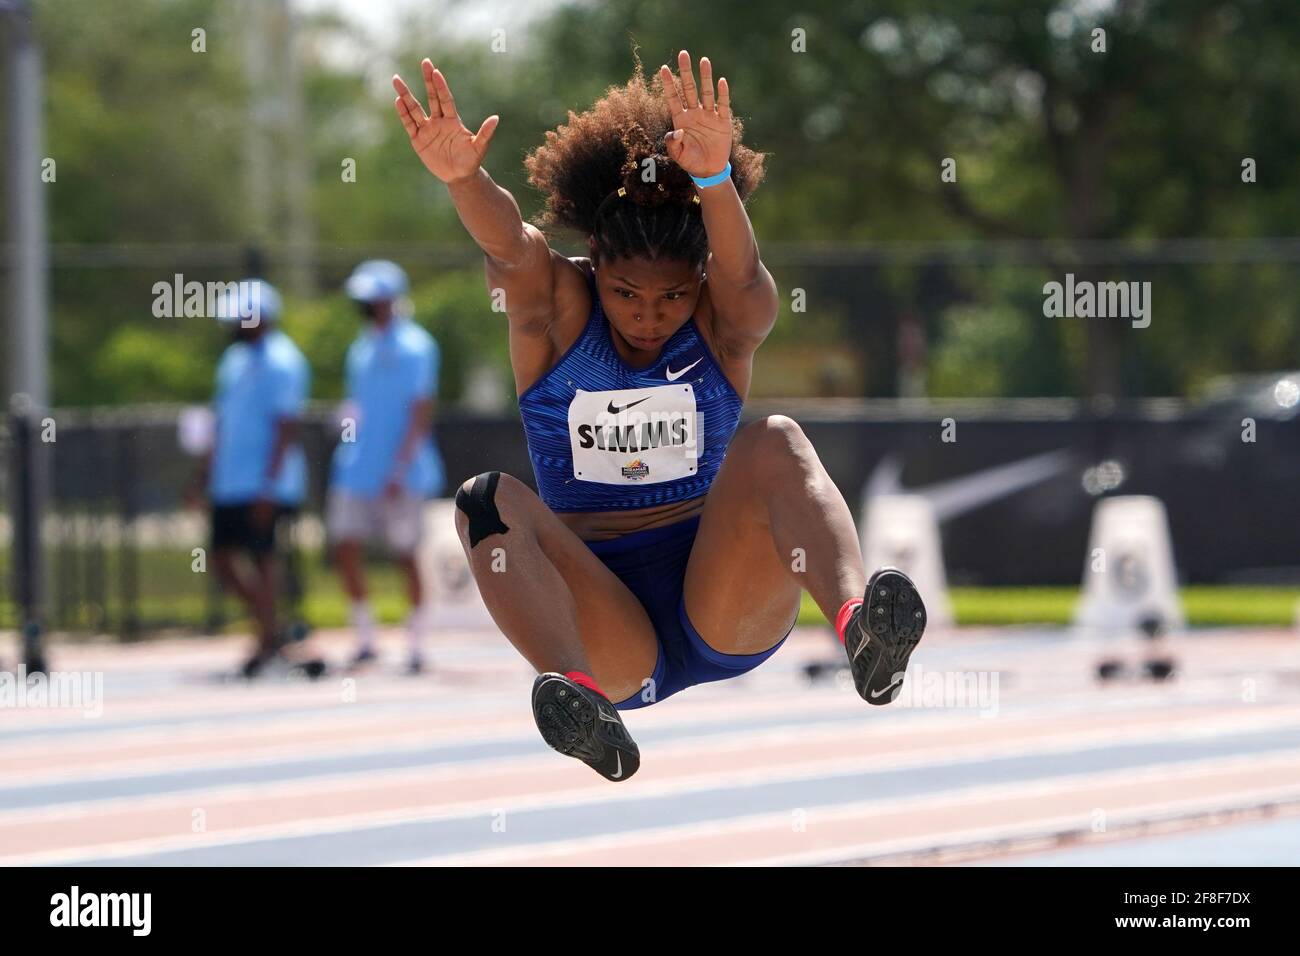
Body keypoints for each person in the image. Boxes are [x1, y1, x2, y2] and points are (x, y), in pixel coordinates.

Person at [393, 52, 927, 781]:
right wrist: (464, 179)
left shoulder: (724, 320)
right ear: (593, 269)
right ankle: (580, 705)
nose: (648, 316)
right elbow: (510, 246)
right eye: (624, 294)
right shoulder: (553, 313)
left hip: (721, 599)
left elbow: (742, 275)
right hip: (606, 624)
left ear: (697, 281)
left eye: (672, 297)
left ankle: (859, 629)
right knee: (484, 499)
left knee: (776, 441)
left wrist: (712, 178)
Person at [328, 260, 445, 675]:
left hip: (403, 472)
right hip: (356, 468)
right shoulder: (359, 348)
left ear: (389, 300)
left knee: (405, 554)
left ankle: (415, 644)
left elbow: (420, 411)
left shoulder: (417, 346)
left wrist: (399, 467)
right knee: (345, 544)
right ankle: (365, 638)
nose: (363, 306)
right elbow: (357, 405)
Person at [191, 279, 310, 678]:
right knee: (221, 558)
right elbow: (220, 424)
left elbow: (286, 427)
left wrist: (268, 486)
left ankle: (268, 636)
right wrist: (202, 477)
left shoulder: (283, 360)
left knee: (263, 558)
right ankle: (271, 630)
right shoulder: (233, 361)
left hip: (264, 482)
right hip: (229, 480)